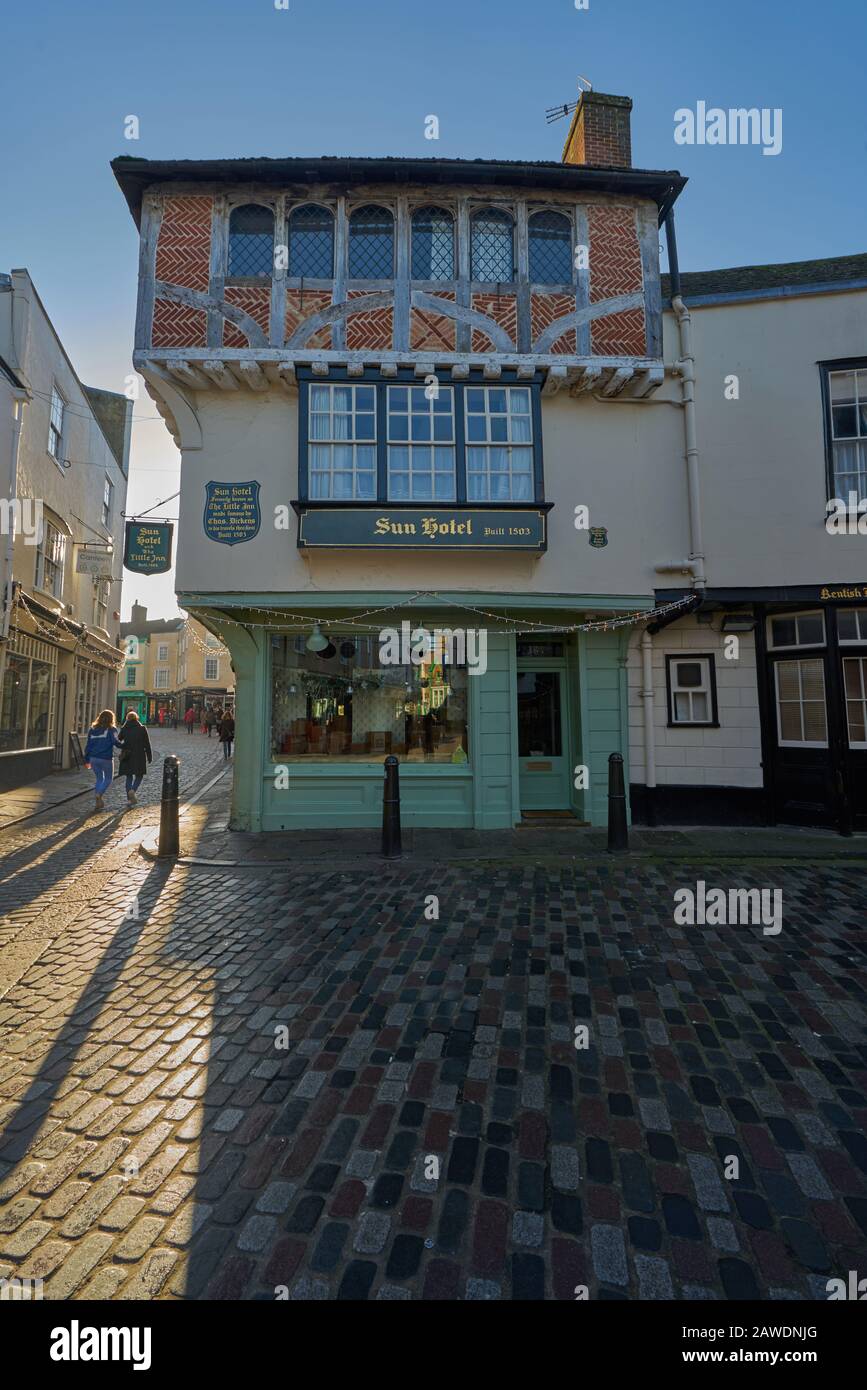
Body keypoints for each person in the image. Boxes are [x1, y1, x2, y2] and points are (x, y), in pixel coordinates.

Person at [84, 709, 122, 811]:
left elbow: (88, 745)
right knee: (108, 779)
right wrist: (125, 745)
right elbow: (116, 742)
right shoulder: (111, 729)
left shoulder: (92, 729)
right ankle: (99, 794)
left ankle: (98, 802)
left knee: (99, 779)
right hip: (106, 758)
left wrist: (87, 760)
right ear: (111, 719)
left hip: (93, 758)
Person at [117, 709, 153, 806]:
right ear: (137, 718)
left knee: (129, 776)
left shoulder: (124, 728)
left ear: (127, 719)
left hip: (127, 755)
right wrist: (149, 756)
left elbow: (119, 739)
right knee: (139, 775)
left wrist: (123, 745)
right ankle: (133, 790)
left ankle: (129, 799)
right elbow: (147, 744)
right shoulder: (142, 728)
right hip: (139, 755)